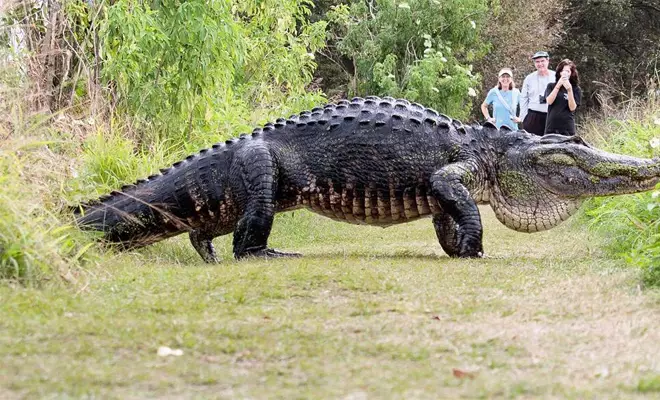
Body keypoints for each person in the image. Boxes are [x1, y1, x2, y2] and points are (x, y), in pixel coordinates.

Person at [520, 51, 556, 135]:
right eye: (537, 62)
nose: (540, 64)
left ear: (547, 61)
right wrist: (524, 118)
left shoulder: (555, 77)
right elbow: (524, 98)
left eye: (542, 61)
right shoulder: (529, 78)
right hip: (533, 116)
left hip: (551, 115)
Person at [544, 59, 582, 135]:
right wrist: (558, 86)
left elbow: (572, 108)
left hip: (567, 127)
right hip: (551, 126)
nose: (565, 73)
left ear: (572, 73)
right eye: (563, 71)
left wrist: (569, 90)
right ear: (559, 72)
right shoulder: (551, 86)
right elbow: (549, 101)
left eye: (568, 71)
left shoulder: (576, 89)